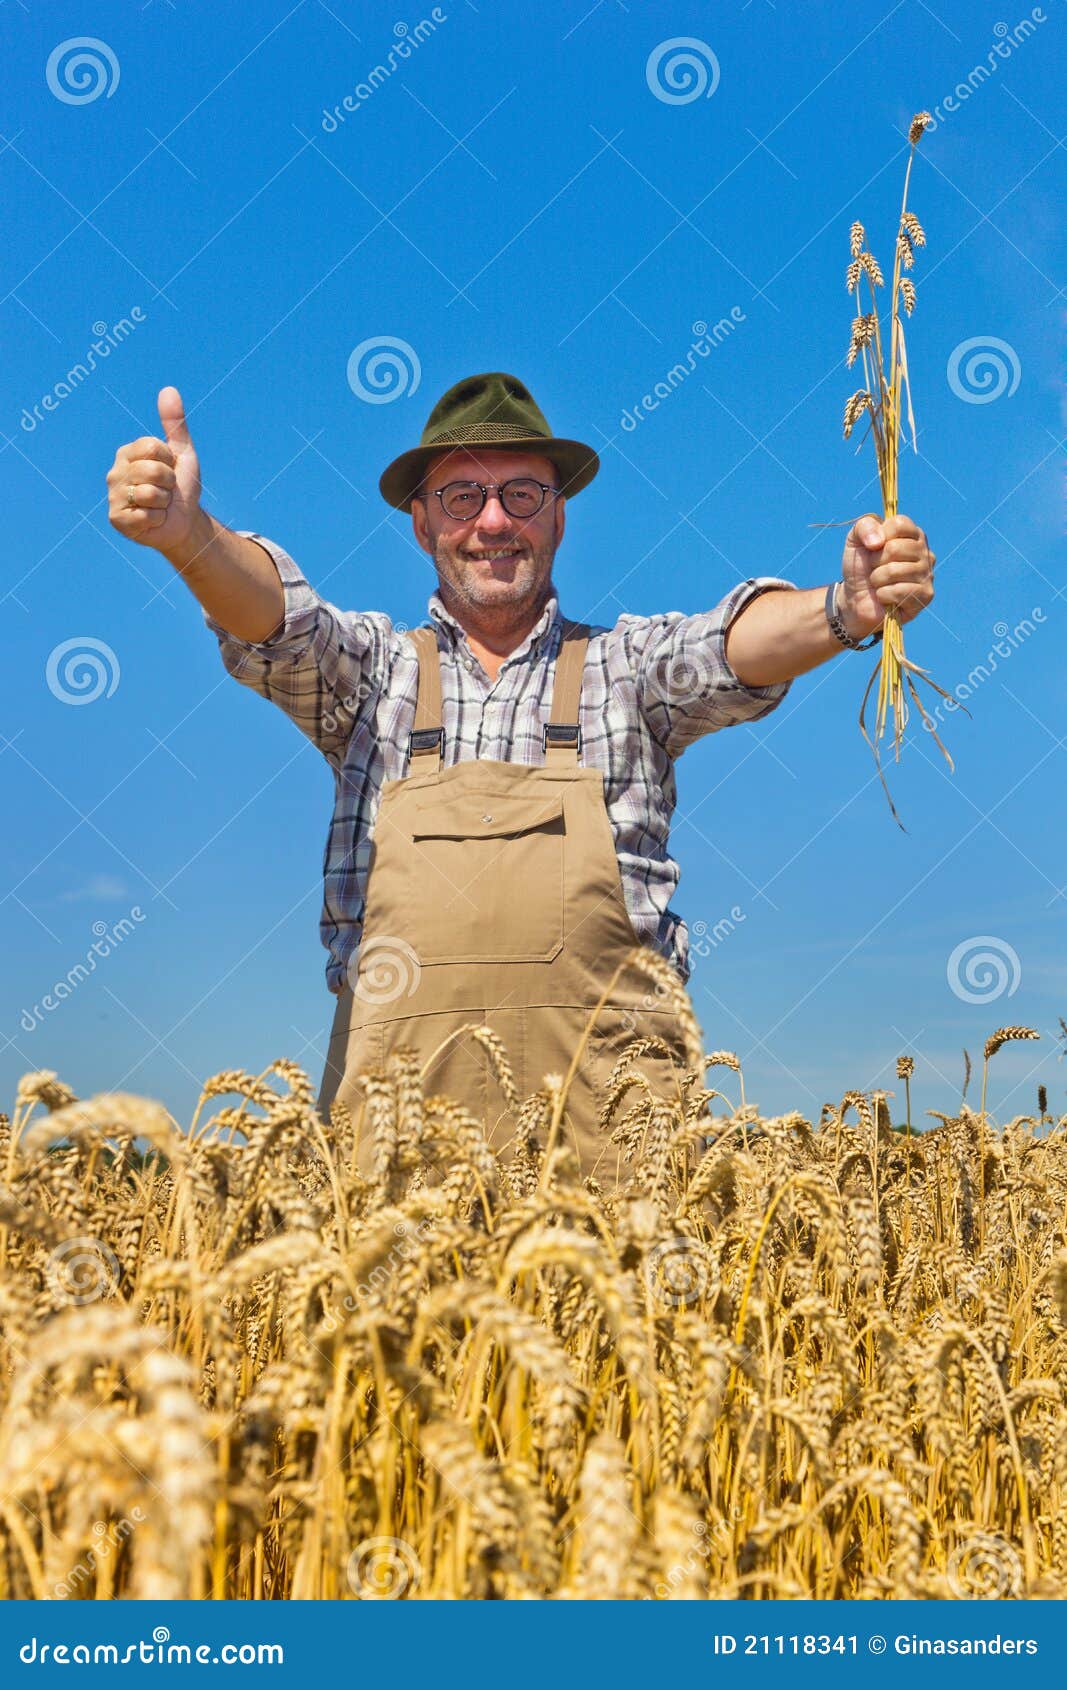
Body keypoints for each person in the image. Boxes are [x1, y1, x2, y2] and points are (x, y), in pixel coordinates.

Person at [107, 372, 935, 1181]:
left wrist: (844, 608)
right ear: (422, 525)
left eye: (522, 495)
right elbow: (280, 624)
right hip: (396, 1174)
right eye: (461, 497)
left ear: (560, 517)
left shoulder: (627, 670)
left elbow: (729, 645)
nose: (493, 521)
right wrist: (192, 540)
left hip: (618, 1167)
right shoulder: (368, 680)